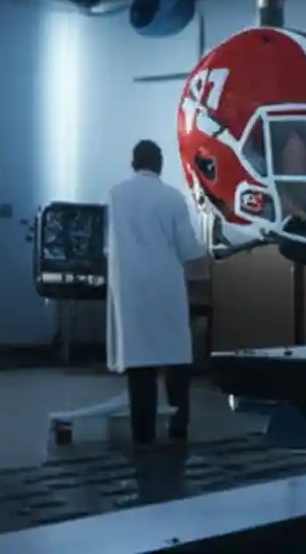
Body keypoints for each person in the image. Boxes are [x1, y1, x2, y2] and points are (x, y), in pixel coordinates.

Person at [106, 140, 206, 446]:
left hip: (129, 288)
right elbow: (189, 249)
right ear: (160, 163)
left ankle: (143, 432)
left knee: (140, 361)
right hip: (165, 286)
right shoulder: (172, 198)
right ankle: (178, 425)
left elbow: (107, 245)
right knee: (175, 356)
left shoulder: (115, 196)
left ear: (133, 162)